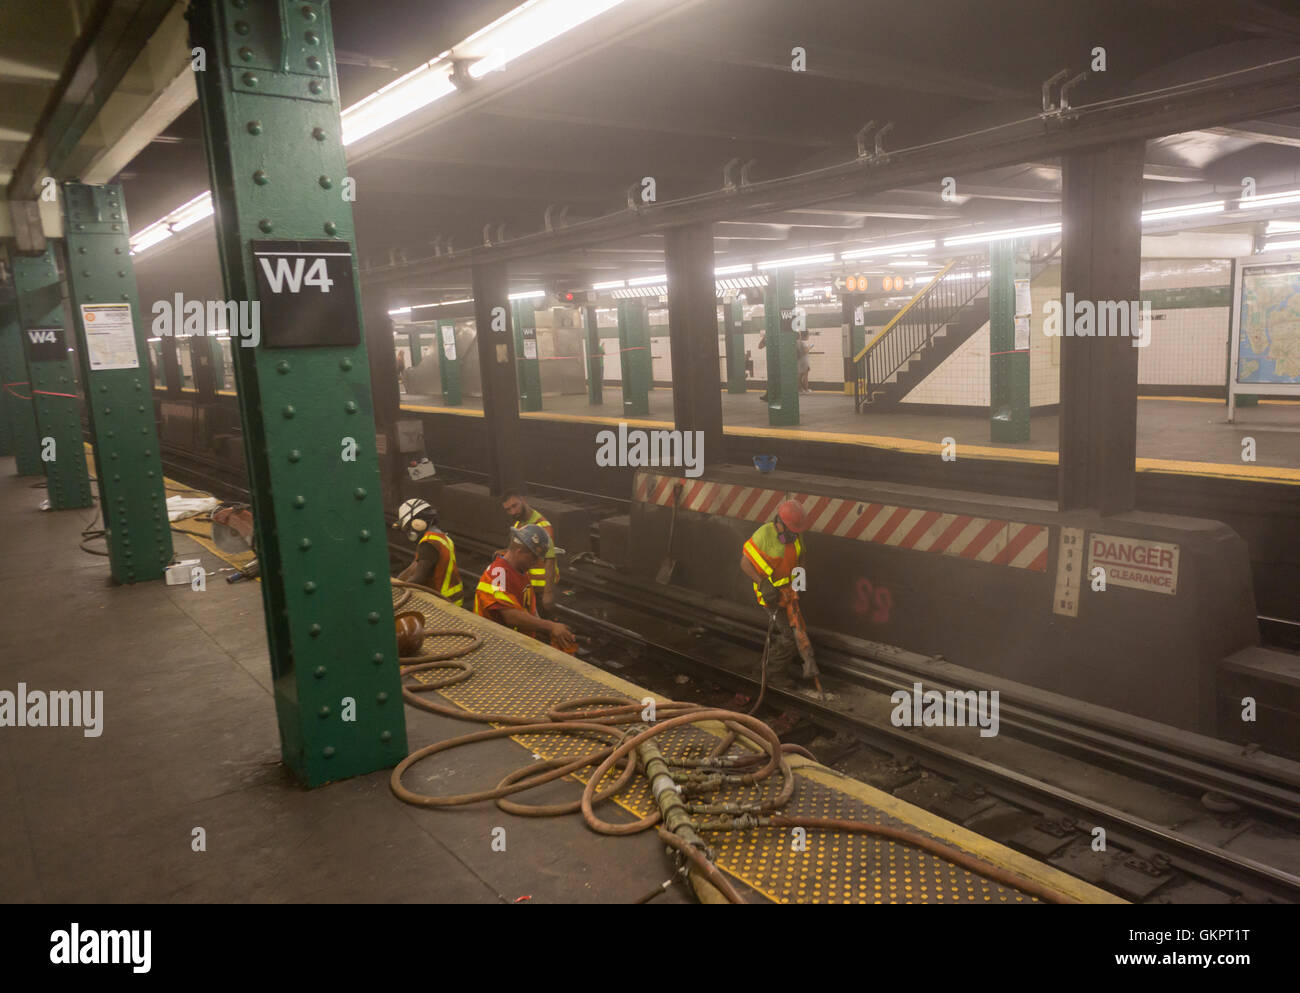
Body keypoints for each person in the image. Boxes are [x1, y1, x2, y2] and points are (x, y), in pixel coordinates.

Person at [739, 500, 811, 676]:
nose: (796, 533)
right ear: (780, 523)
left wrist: (798, 582)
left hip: (789, 593)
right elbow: (744, 563)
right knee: (790, 637)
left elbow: (801, 557)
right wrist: (763, 584)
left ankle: (765, 666)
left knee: (797, 633)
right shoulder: (764, 535)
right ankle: (771, 674)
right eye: (793, 529)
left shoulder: (796, 533)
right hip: (770, 596)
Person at [475, 524, 577, 649]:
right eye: (534, 558)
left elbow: (530, 609)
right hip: (495, 646)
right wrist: (551, 626)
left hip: (513, 644)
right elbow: (511, 616)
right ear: (519, 552)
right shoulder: (498, 573)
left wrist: (545, 631)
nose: (536, 563)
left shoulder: (521, 571)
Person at [393, 498, 463, 607]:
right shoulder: (441, 537)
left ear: (418, 523)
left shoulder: (428, 543)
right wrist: (398, 582)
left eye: (408, 527)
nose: (409, 531)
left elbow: (418, 577)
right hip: (452, 597)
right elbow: (414, 566)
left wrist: (398, 593)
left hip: (442, 600)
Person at [500, 488, 560, 612]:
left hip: (540, 588)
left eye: (515, 506)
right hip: (528, 586)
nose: (513, 511)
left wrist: (548, 593)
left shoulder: (542, 526)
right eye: (508, 509)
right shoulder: (519, 524)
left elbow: (550, 560)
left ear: (523, 500)